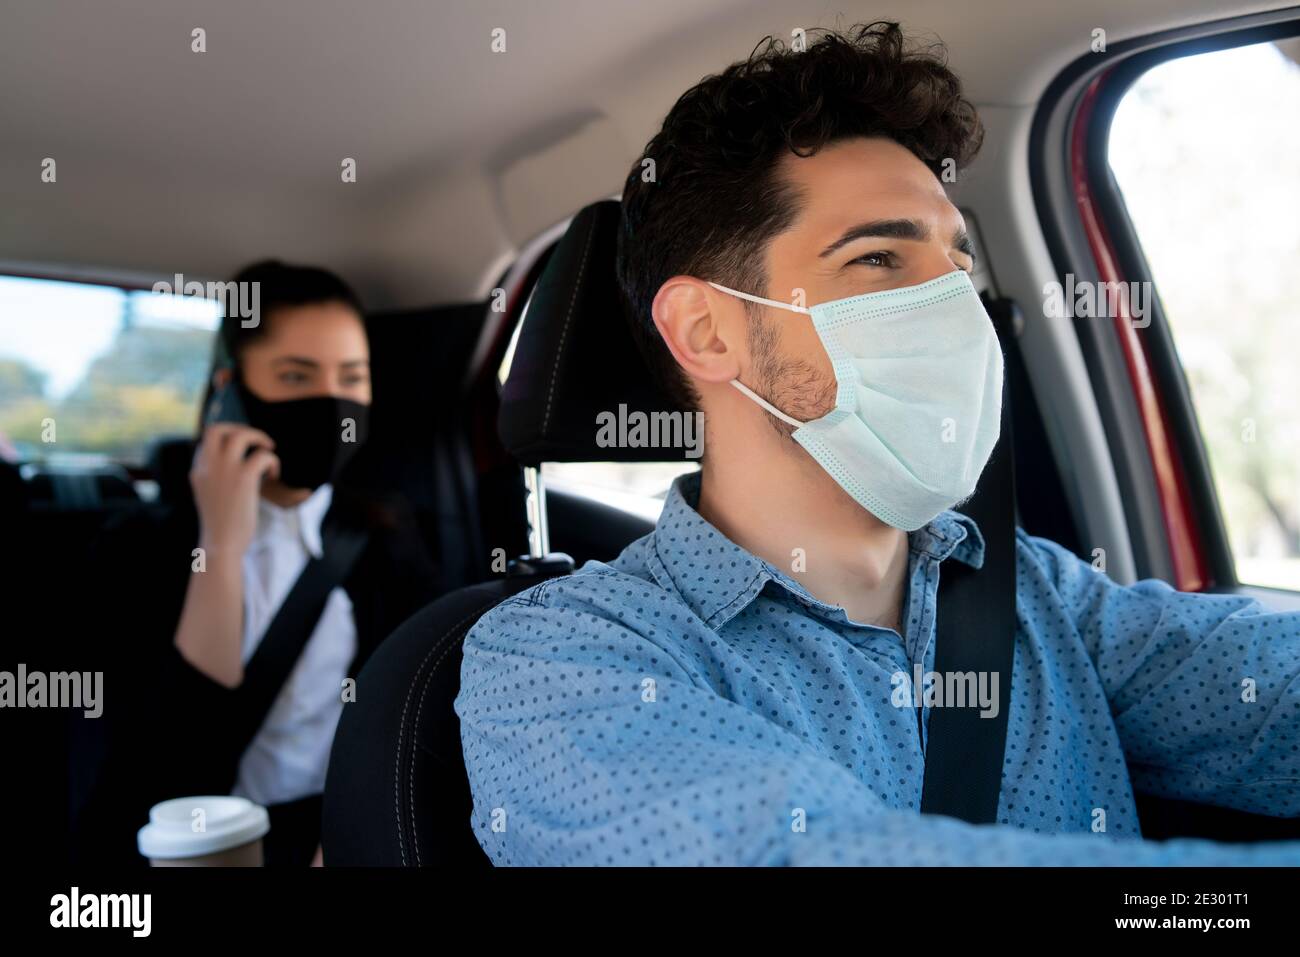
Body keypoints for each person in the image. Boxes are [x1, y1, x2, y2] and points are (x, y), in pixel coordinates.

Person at [455, 23, 1300, 865]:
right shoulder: (561, 657)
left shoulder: (1038, 593)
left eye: (958, 264)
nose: (956, 307)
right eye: (878, 259)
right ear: (708, 331)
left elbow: (1267, 696)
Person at [72, 261, 440, 866]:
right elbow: (165, 758)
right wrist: (220, 546)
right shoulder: (134, 548)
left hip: (338, 833)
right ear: (232, 392)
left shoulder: (389, 535)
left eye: (352, 377)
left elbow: (409, 720)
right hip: (199, 841)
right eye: (296, 376)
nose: (333, 402)